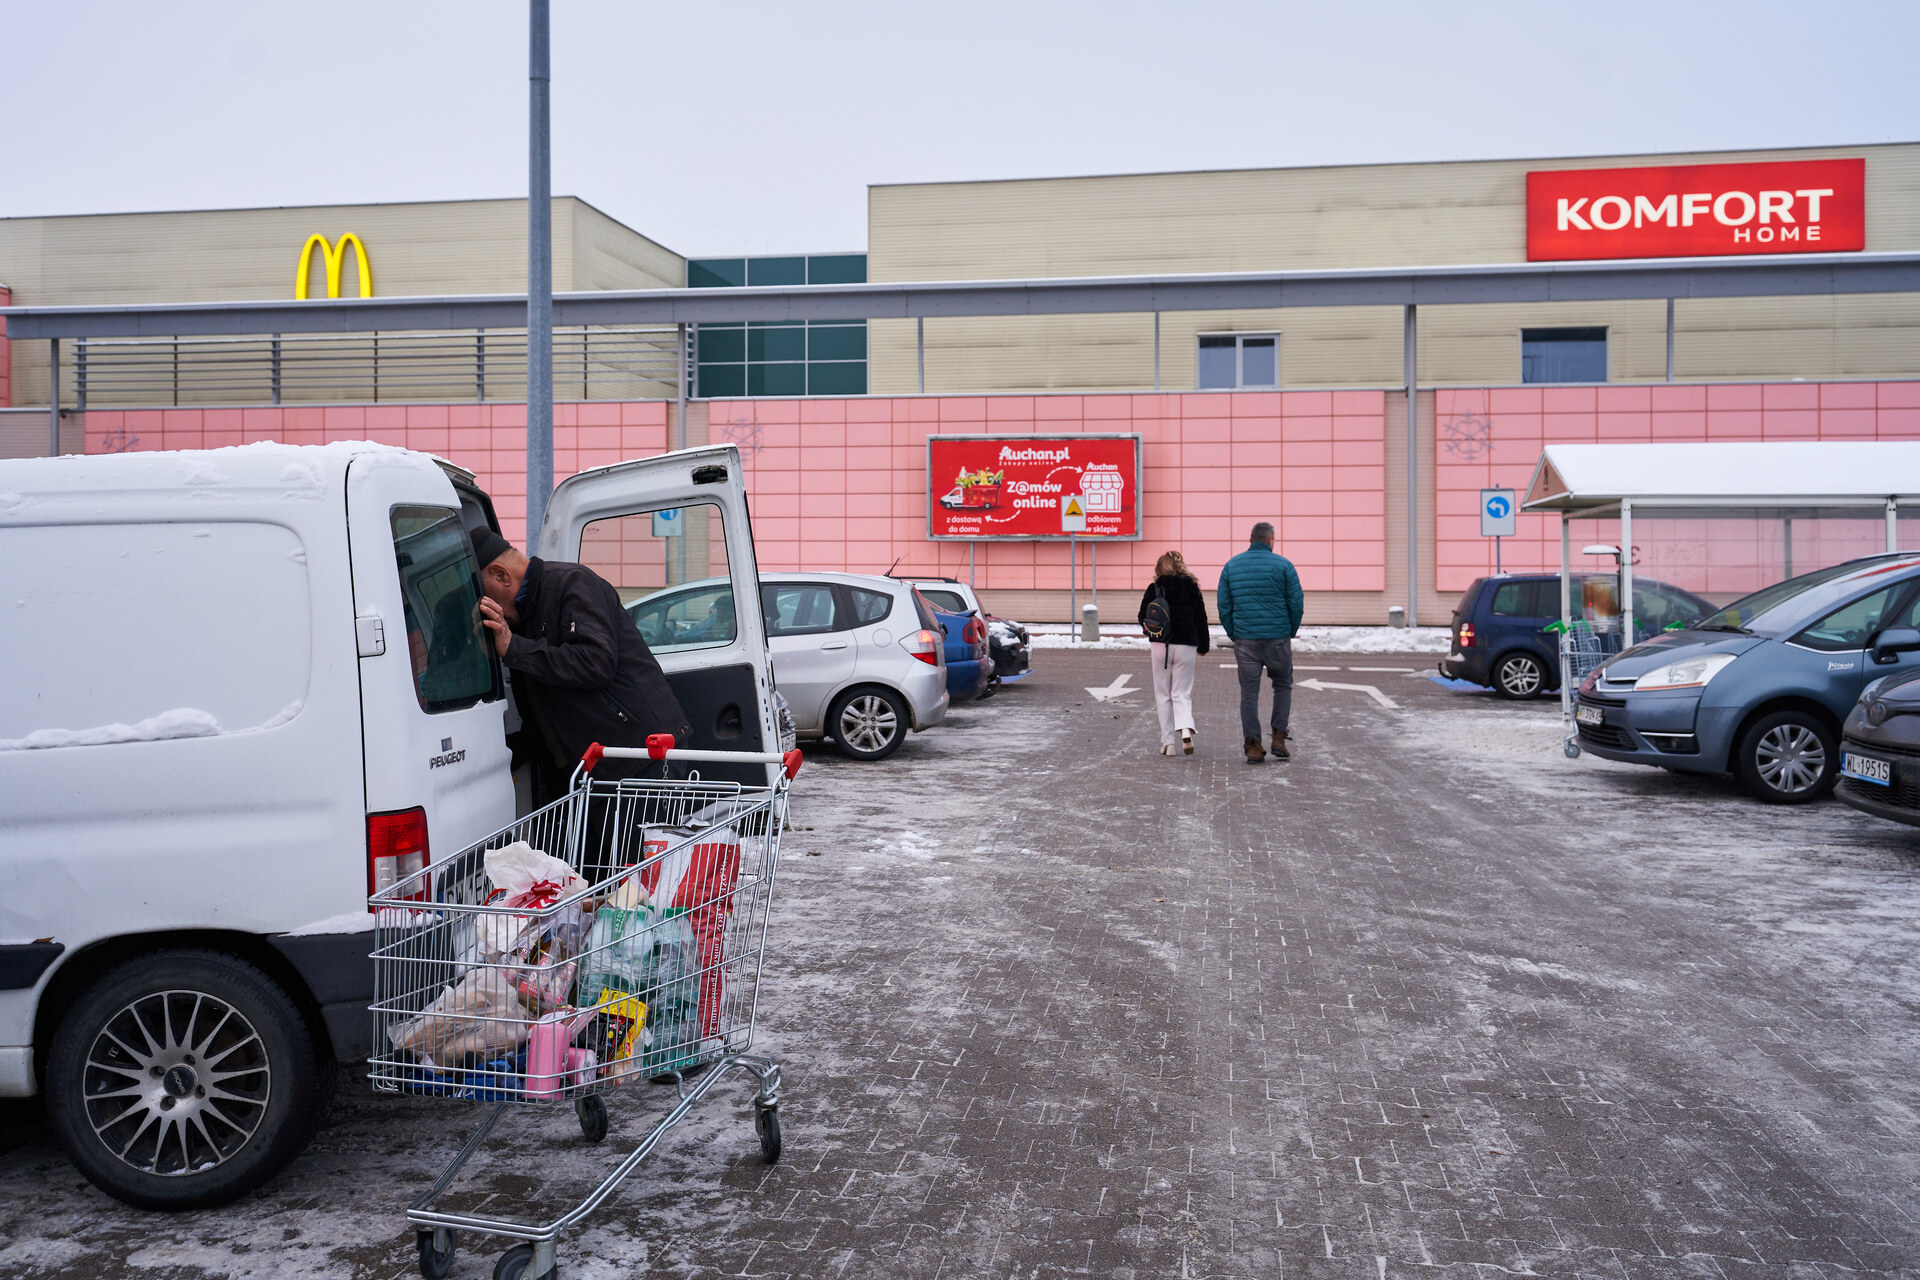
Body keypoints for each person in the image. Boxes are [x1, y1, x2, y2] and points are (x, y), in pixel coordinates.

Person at [471, 528, 691, 815]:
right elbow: (545, 712)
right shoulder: (522, 620)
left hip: (638, 759)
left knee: (632, 859)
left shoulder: (571, 584)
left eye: (486, 598)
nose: (486, 609)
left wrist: (515, 649)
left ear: (501, 575)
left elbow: (596, 662)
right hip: (591, 773)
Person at [1216, 521, 1304, 764]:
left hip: (1246, 641)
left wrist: (1235, 633)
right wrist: (1289, 630)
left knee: (1249, 693)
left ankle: (1253, 746)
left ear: (1251, 539)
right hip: (1277, 639)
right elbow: (1296, 603)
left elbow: (1224, 605)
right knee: (1283, 685)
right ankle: (1278, 738)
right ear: (1270, 540)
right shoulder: (1284, 565)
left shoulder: (1232, 566)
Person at [1137, 550, 1211, 756]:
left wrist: (1153, 632)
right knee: (1181, 692)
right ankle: (1186, 727)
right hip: (1187, 645)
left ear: (1159, 568)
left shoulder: (1155, 588)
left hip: (1161, 644)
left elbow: (1142, 617)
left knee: (1163, 694)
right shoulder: (1191, 588)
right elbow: (1201, 620)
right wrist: (1203, 646)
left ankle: (1168, 743)